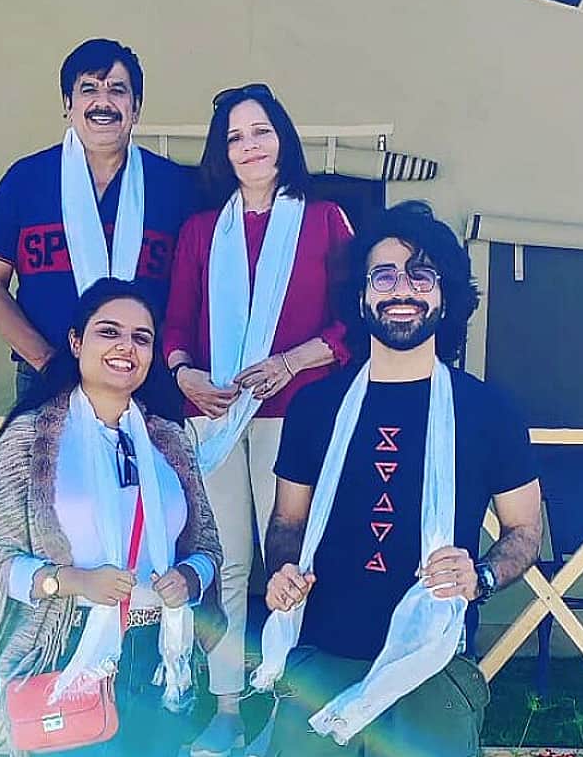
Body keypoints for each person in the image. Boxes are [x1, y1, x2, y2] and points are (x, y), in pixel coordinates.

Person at [259, 201, 543, 757]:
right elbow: (287, 520)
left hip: (431, 666)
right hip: (321, 657)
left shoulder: (489, 410)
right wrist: (282, 571)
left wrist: (480, 575)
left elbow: (526, 532)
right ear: (361, 297)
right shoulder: (316, 406)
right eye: (384, 275)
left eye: (421, 275)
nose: (402, 289)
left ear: (446, 294)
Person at [161, 83, 353, 757]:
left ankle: (288, 712)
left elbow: (353, 323)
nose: (250, 146)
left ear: (285, 138)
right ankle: (227, 710)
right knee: (230, 564)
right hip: (213, 419)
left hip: (293, 414)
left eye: (261, 131)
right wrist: (187, 374)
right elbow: (175, 326)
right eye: (236, 136)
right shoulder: (200, 232)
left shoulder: (326, 219)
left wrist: (289, 362)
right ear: (222, 151)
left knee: (289, 563)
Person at [0, 278, 225, 756]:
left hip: (158, 655)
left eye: (142, 337)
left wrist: (191, 577)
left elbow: (208, 547)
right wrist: (71, 582)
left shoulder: (168, 440)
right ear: (76, 341)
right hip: (66, 646)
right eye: (109, 331)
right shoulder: (31, 438)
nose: (126, 347)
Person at [0, 38, 195, 399]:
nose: (102, 102)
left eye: (117, 90)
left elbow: (190, 294)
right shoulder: (27, 179)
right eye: (89, 89)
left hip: (145, 378)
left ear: (135, 108)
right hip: (46, 376)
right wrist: (47, 361)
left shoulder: (174, 186)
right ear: (68, 104)